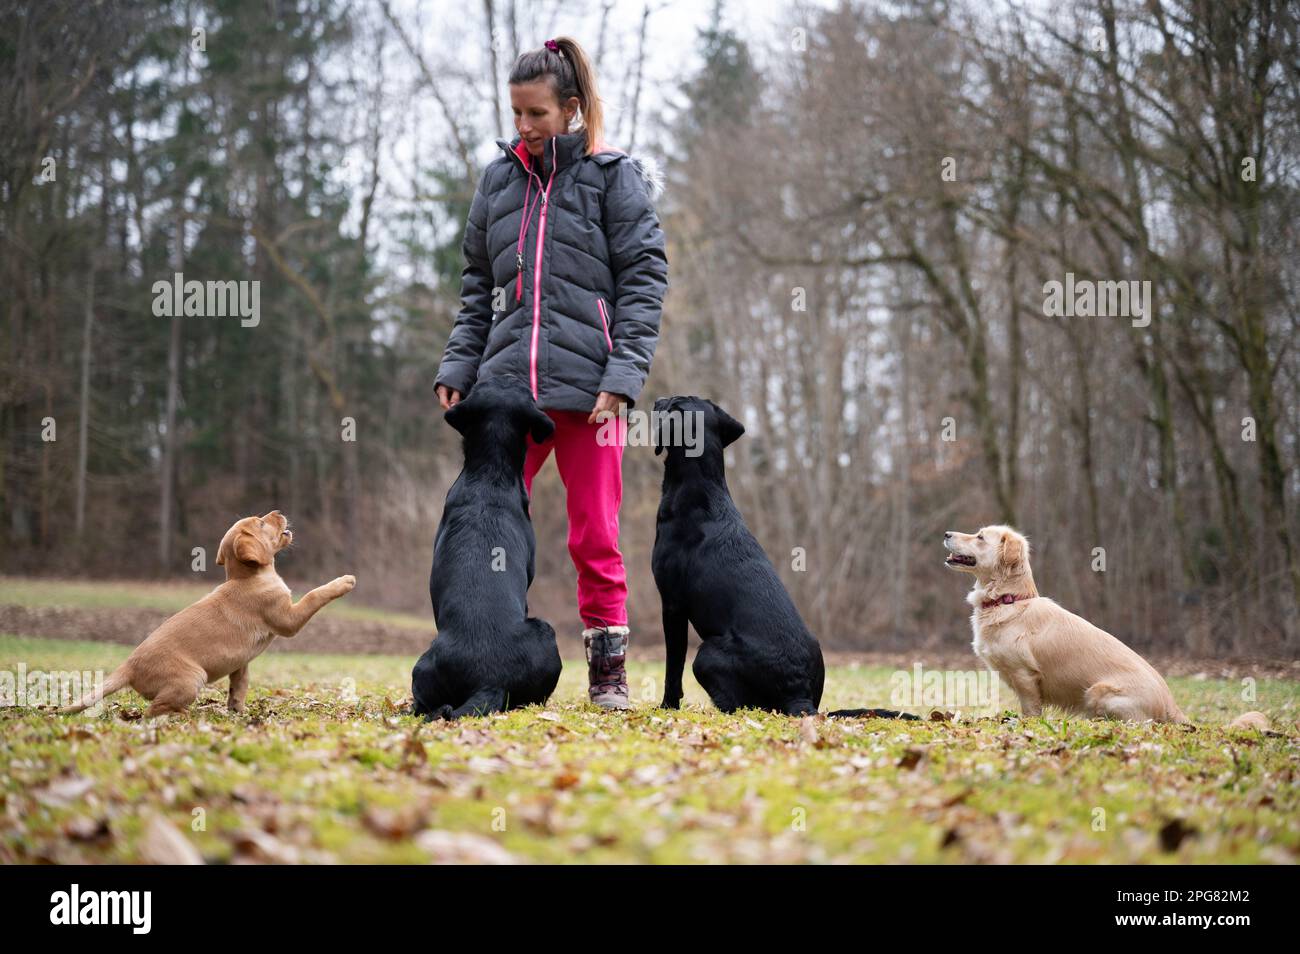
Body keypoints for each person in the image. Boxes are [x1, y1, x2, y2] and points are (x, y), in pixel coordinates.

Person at [434, 36, 668, 710]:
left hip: (591, 395)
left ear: (571, 107)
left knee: (594, 534)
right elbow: (478, 285)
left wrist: (622, 376)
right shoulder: (497, 180)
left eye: (536, 114)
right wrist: (460, 364)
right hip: (505, 395)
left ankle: (608, 674)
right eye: (515, 115)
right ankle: (480, 658)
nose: (525, 128)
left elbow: (645, 280)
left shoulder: (611, 176)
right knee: (483, 532)